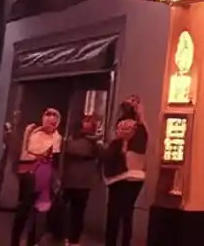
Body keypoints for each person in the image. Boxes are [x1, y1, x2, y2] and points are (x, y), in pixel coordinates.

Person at [11, 107, 63, 246]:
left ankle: (32, 242)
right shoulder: (33, 132)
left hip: (45, 176)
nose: (50, 121)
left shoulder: (57, 138)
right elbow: (25, 151)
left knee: (38, 213)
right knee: (23, 210)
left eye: (54, 119)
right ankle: (15, 241)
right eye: (48, 116)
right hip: (29, 174)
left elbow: (56, 160)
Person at [102, 97, 148, 246]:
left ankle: (111, 243)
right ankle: (125, 243)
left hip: (120, 176)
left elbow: (112, 153)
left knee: (114, 215)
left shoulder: (122, 125)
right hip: (138, 176)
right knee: (127, 214)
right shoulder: (142, 129)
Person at [62, 115, 102, 246]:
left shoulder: (95, 142)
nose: (87, 124)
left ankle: (72, 239)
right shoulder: (77, 137)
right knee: (70, 211)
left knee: (77, 212)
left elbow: (101, 155)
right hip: (72, 179)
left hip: (81, 180)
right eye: (85, 121)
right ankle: (68, 238)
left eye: (90, 122)